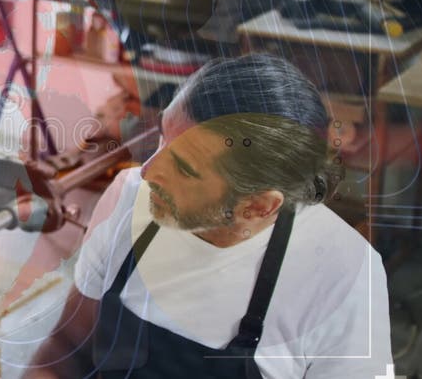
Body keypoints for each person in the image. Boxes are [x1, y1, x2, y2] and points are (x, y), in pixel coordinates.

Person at [27, 54, 391, 378]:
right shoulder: (130, 196)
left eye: (184, 168)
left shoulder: (345, 275)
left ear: (259, 206)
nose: (148, 172)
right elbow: (66, 345)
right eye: (162, 138)